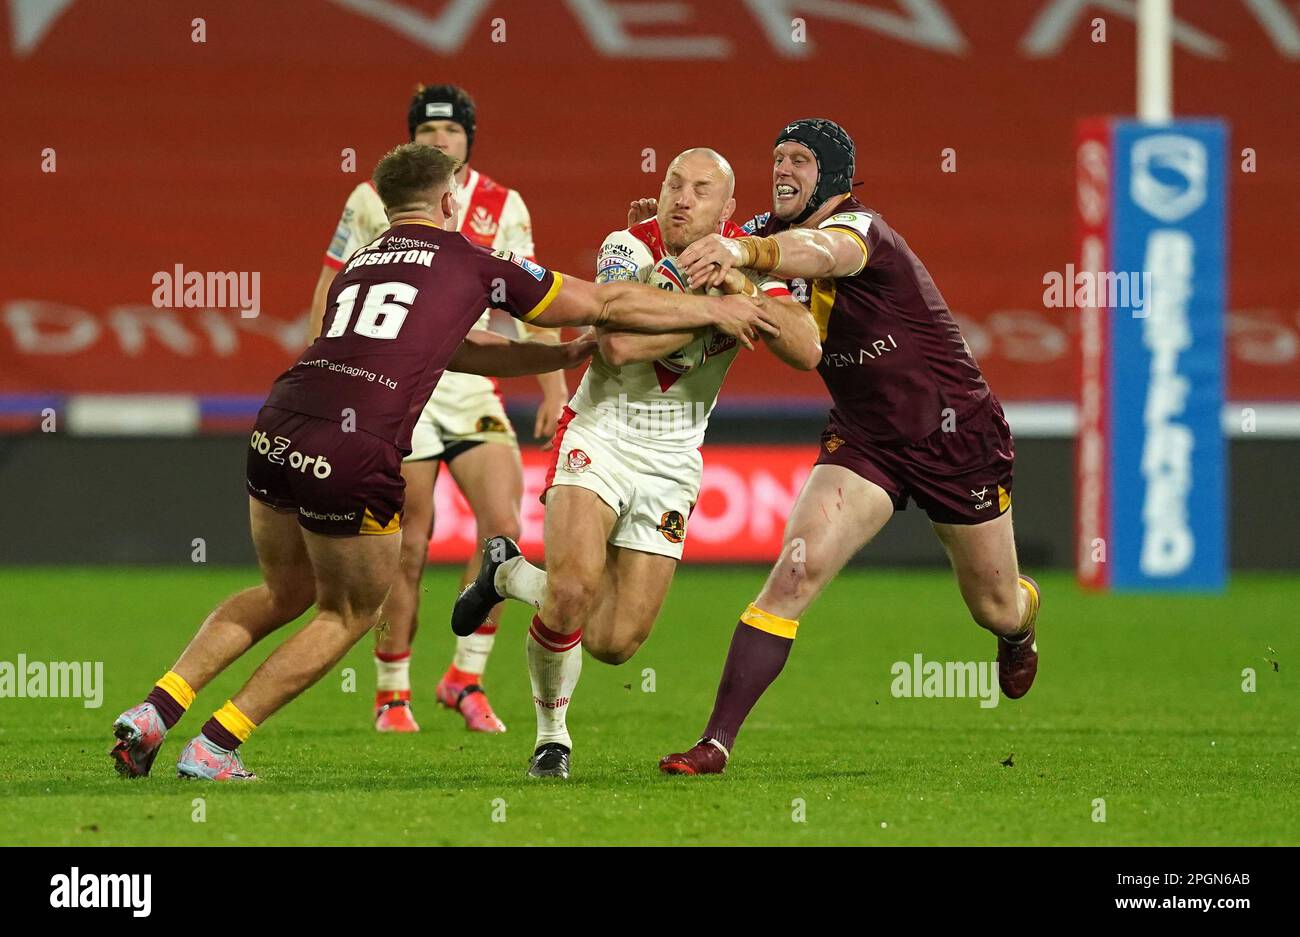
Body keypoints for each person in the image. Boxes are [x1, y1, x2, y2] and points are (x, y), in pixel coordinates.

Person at [107, 142, 779, 781]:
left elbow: (461, 351)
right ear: (451, 197)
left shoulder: (366, 259)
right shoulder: (468, 260)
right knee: (347, 612)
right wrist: (721, 308)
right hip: (354, 444)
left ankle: (156, 709)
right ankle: (215, 745)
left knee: (284, 591)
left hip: (278, 425)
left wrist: (561, 357)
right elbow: (605, 303)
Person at [654, 118, 1041, 776]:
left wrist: (743, 257)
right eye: (777, 158)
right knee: (794, 573)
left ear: (831, 176)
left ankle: (1020, 626)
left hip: (955, 434)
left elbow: (822, 255)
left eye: (799, 161)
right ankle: (716, 742)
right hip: (866, 439)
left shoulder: (862, 230)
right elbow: (711, 240)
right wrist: (666, 227)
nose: (783, 170)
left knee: (994, 606)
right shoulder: (762, 233)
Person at [450, 148, 820, 779]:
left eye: (701, 190)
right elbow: (618, 344)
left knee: (615, 642)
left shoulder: (749, 258)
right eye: (674, 183)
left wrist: (733, 283)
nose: (682, 198)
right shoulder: (628, 243)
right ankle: (552, 737)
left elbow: (806, 348)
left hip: (673, 457)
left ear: (728, 209)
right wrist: (711, 307)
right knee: (570, 592)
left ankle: (507, 574)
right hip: (601, 432)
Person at [308, 85, 568, 734]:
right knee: (412, 541)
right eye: (427, 133)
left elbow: (531, 302)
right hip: (402, 384)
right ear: (410, 140)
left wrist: (557, 389)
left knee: (502, 529)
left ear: (468, 141)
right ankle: (392, 689)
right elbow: (332, 279)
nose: (439, 142)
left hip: (473, 383)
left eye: (451, 133)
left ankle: (464, 677)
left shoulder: (504, 205)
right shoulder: (374, 197)